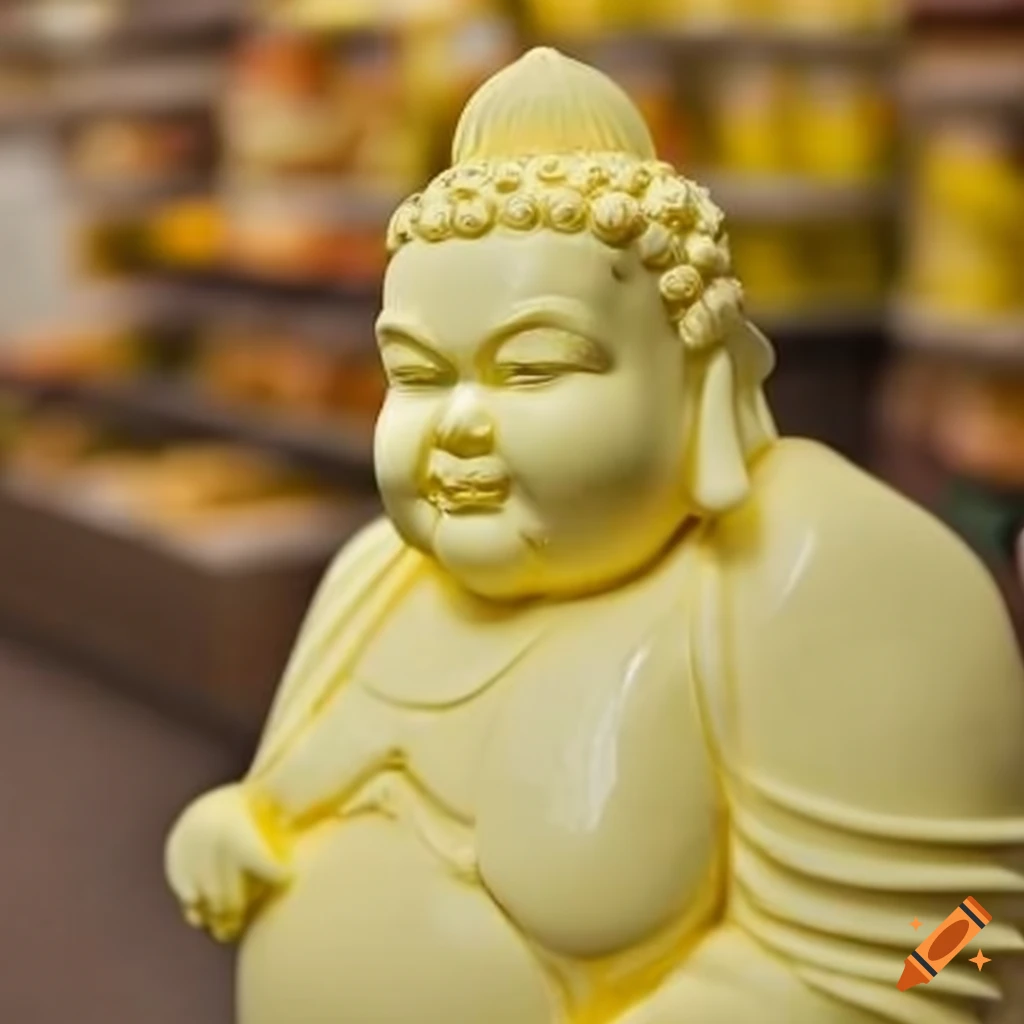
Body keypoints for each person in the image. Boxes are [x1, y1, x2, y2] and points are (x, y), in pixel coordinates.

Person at [165, 48, 1024, 1024]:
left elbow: (953, 930)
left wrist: (900, 972)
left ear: (701, 373)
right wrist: (229, 827)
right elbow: (279, 801)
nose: (456, 421)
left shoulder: (813, 568)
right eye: (414, 375)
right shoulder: (383, 573)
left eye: (530, 369)